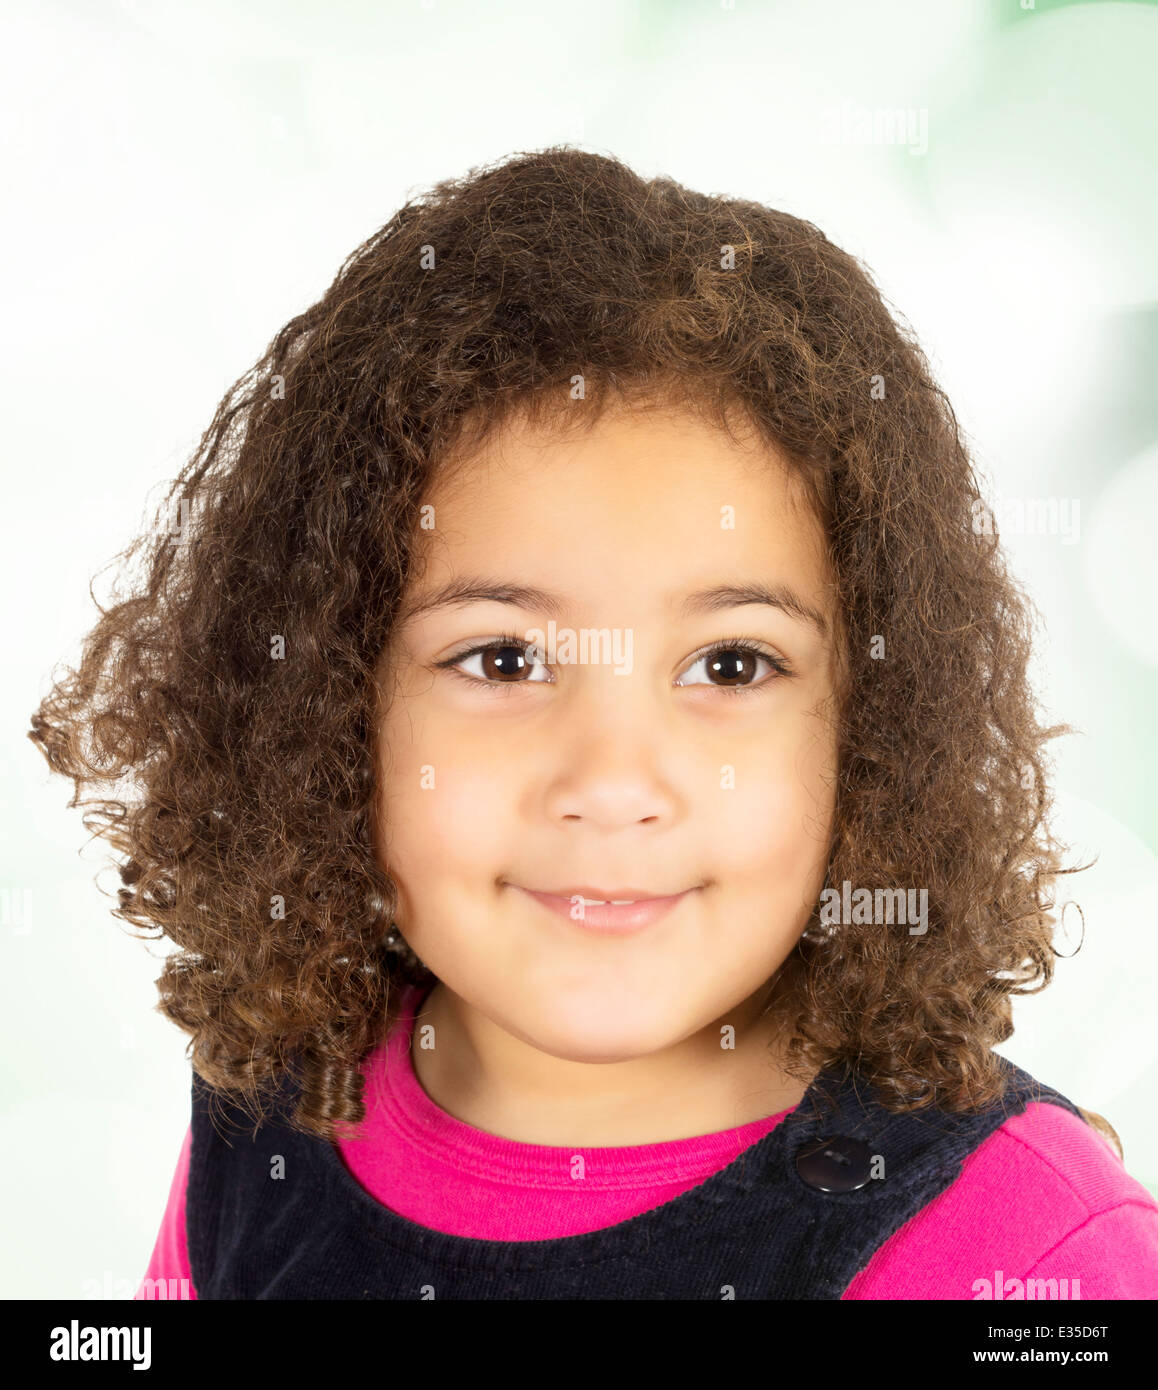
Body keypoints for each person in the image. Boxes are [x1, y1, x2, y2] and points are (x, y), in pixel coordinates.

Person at [30, 147, 1158, 1299]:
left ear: (868, 736)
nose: (614, 779)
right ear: (329, 707)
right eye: (503, 657)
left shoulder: (1022, 1250)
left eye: (730, 663)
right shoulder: (269, 1121)